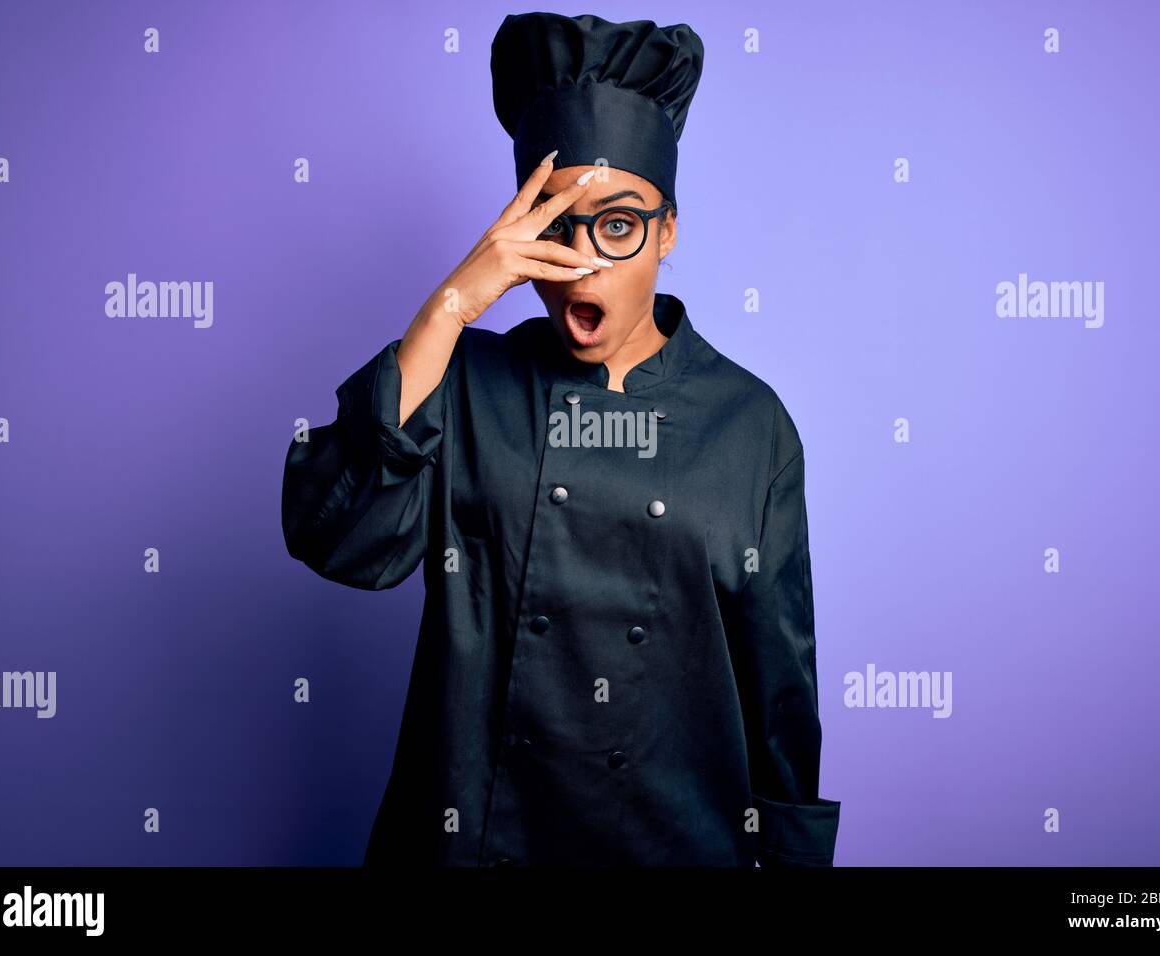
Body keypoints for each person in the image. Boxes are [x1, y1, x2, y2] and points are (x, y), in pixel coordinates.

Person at [281, 11, 840, 867]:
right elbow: (340, 541)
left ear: (669, 229)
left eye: (618, 225)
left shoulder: (750, 426)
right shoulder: (464, 382)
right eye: (554, 226)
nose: (584, 263)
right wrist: (450, 308)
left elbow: (781, 687)